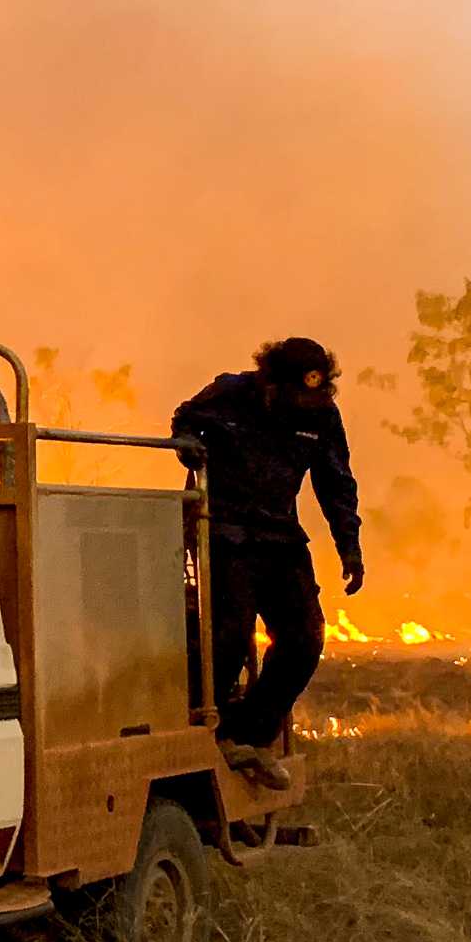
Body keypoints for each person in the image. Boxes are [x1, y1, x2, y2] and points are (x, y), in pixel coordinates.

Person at [172, 337, 363, 788]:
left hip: (280, 536)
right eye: (298, 394)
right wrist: (188, 445)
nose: (306, 404)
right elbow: (184, 421)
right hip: (222, 531)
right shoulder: (229, 393)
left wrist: (349, 546)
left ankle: (249, 735)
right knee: (230, 635)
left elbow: (336, 483)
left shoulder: (322, 415)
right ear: (271, 382)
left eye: (316, 393)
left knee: (305, 638)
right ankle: (205, 734)